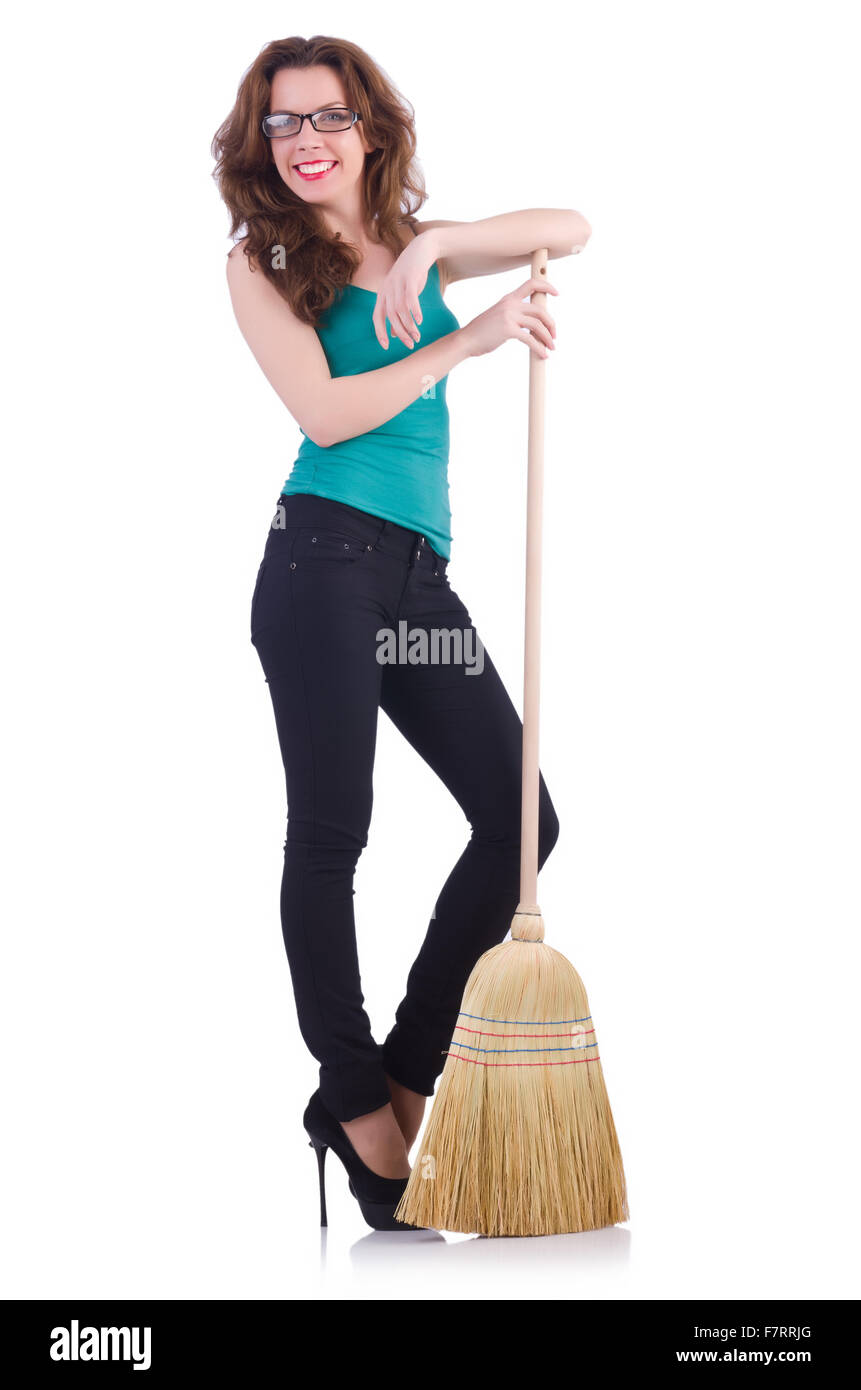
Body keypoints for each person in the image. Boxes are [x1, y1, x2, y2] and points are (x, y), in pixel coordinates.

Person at [213, 34, 591, 1229]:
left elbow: (571, 225)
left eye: (329, 117)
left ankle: (404, 1073)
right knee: (334, 836)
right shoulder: (264, 255)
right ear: (264, 141)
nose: (308, 140)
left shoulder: (410, 246)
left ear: (369, 126)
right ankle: (351, 1097)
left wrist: (433, 246)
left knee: (524, 817)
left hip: (416, 592)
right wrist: (466, 339)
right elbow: (327, 412)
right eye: (284, 124)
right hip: (323, 573)